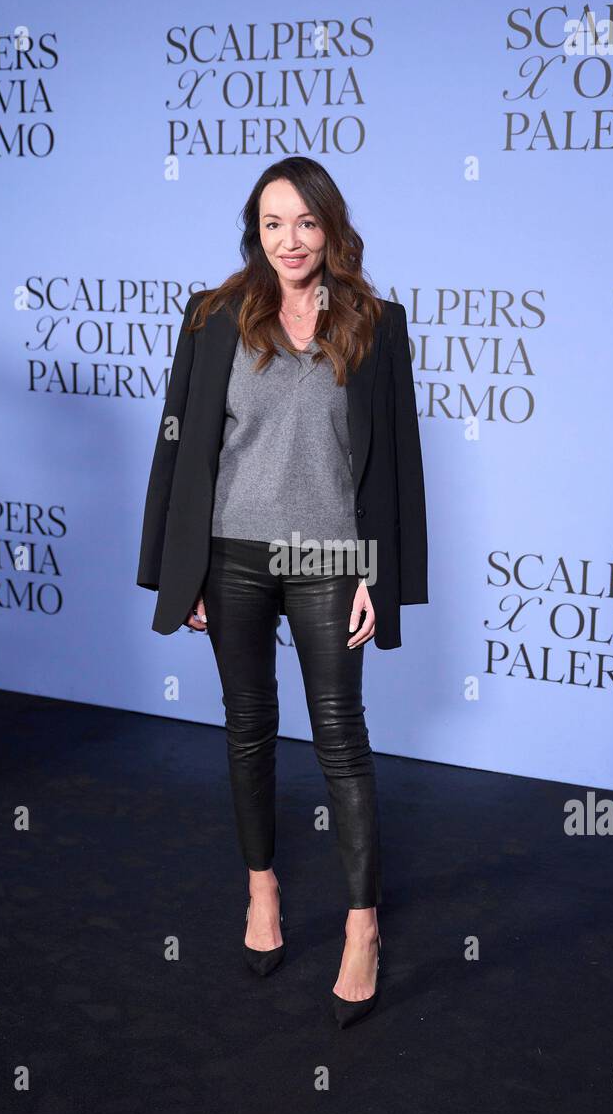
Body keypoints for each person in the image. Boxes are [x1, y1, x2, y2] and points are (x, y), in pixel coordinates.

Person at [137, 156, 428, 1027]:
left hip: (328, 558)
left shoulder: (376, 323)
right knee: (248, 730)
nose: (289, 240)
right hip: (231, 553)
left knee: (341, 740)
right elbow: (180, 449)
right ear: (253, 232)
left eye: (305, 223)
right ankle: (262, 892)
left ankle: (362, 929)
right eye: (272, 223)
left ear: (331, 228)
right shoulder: (214, 318)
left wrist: (381, 569)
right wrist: (179, 566)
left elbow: (397, 463)